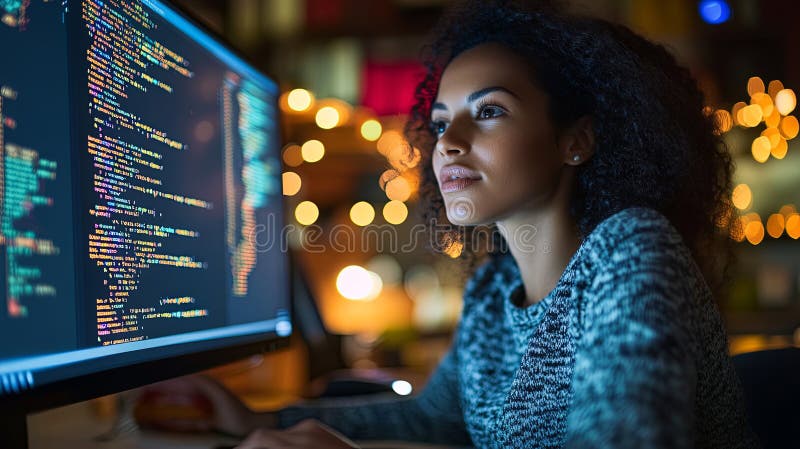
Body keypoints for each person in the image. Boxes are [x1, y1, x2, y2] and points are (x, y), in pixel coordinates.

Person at [144, 1, 762, 447]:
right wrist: (260, 422)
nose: (450, 144)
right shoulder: (494, 291)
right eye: (441, 123)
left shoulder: (631, 249)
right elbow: (436, 418)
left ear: (577, 140)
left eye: (489, 111)